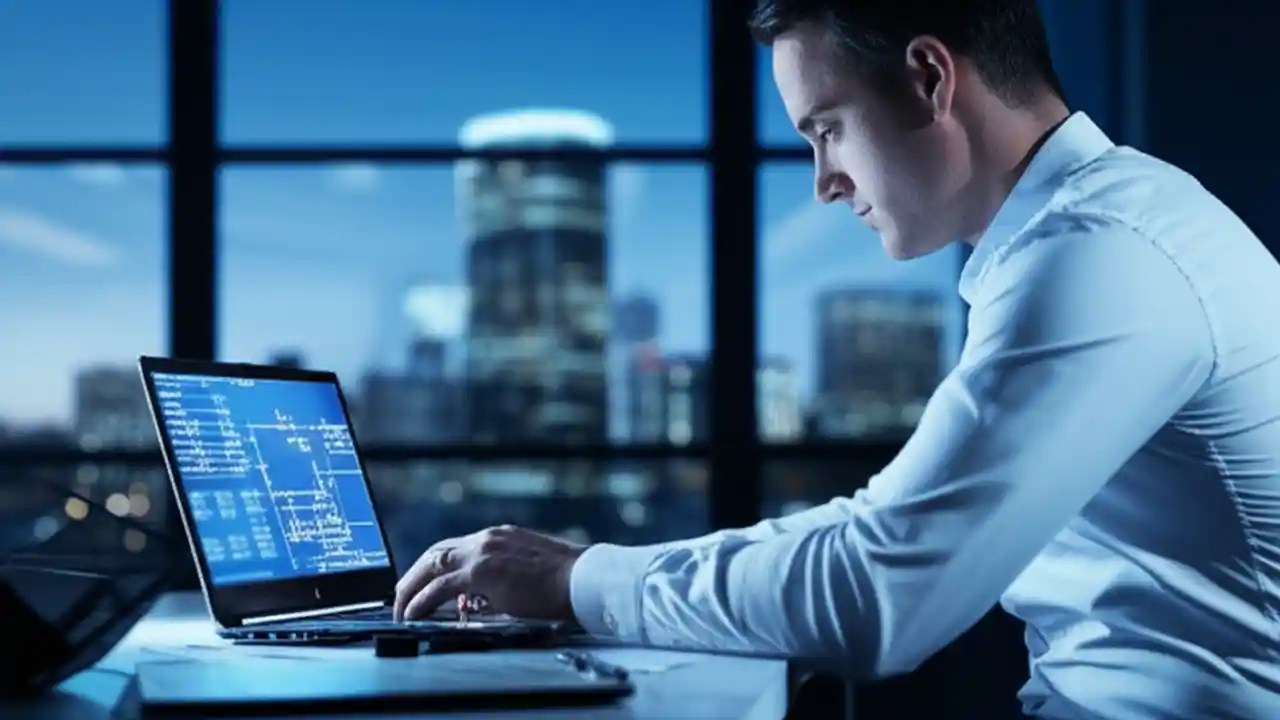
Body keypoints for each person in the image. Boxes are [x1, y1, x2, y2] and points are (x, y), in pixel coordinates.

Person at [394, 1, 1280, 717]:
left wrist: (581, 581)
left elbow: (880, 595)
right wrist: (587, 570)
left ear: (931, 78)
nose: (823, 181)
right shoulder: (1084, 234)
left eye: (827, 129)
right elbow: (874, 526)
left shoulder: (1099, 254)